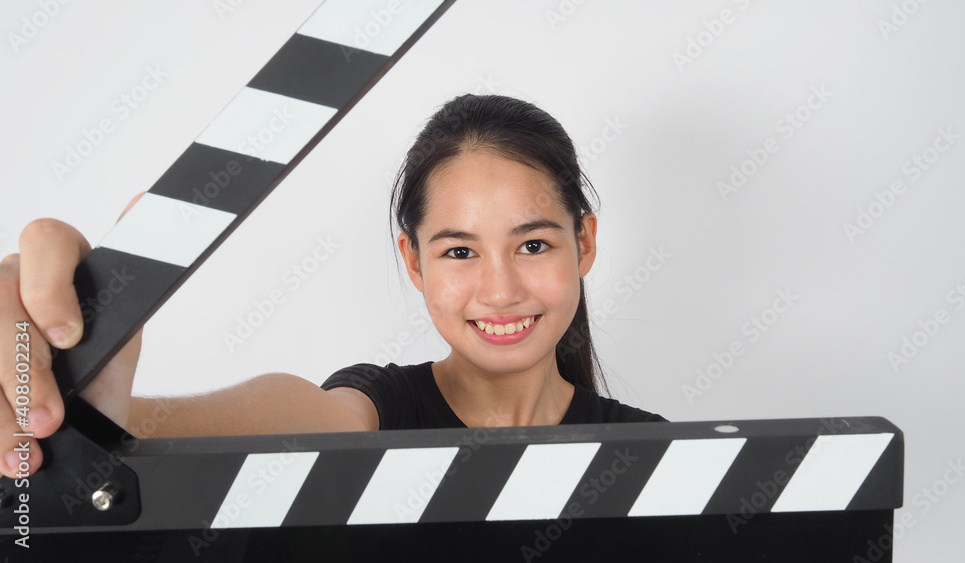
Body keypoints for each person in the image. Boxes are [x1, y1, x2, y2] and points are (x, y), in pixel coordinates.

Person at [0, 94, 663, 479]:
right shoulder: (373, 409)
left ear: (585, 243)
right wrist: (90, 413)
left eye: (534, 244)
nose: (500, 288)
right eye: (459, 250)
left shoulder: (656, 453)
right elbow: (300, 416)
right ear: (414, 262)